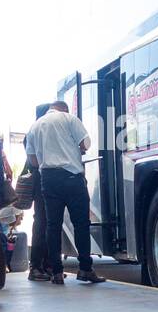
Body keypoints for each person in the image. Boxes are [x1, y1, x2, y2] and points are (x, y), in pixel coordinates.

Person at [24, 101, 106, 285]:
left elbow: (33, 161)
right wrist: (74, 150)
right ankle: (85, 269)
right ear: (64, 109)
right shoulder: (69, 118)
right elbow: (85, 143)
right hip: (71, 178)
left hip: (48, 179)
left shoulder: (35, 127)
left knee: (53, 225)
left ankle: (57, 272)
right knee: (81, 224)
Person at [23, 102, 55, 281]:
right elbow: (33, 161)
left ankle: (46, 265)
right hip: (41, 181)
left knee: (47, 223)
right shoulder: (35, 132)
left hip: (42, 182)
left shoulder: (34, 131)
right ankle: (36, 266)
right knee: (43, 223)